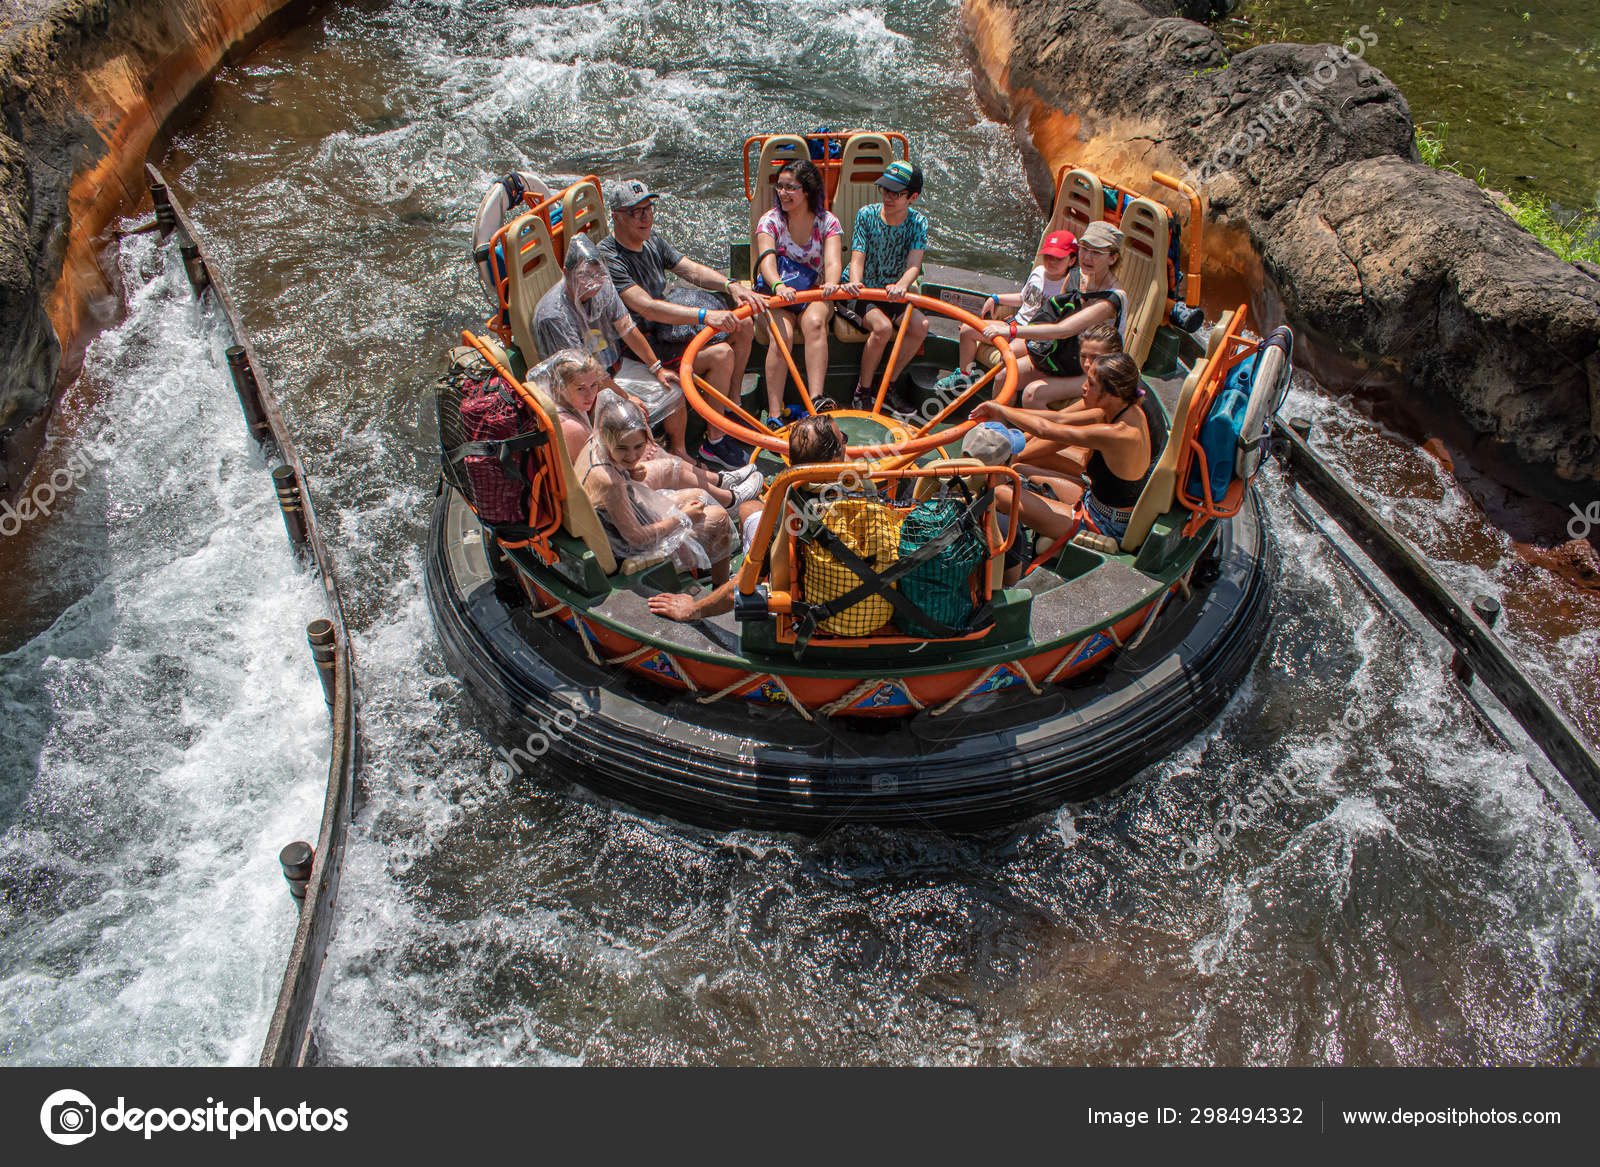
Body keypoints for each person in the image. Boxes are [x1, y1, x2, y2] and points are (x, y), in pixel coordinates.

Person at [598, 178, 763, 472]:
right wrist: (703, 315)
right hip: (643, 344)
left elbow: (689, 269)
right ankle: (714, 442)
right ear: (617, 217)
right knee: (722, 354)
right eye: (636, 212)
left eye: (649, 209)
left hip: (666, 330)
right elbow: (645, 305)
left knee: (744, 323)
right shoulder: (610, 257)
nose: (645, 217)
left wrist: (730, 285)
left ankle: (731, 406)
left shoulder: (651, 241)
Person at [971, 352, 1158, 582]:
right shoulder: (1123, 409)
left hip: (1105, 524)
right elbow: (1057, 419)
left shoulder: (1119, 434)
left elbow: (1048, 430)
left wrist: (1001, 410)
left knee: (998, 494)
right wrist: (1002, 410)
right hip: (1095, 501)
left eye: (1091, 384)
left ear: (1112, 393)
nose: (1084, 388)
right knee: (1018, 469)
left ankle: (1005, 575)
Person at [647, 413, 852, 622]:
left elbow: (748, 580)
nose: (845, 444)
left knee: (747, 508)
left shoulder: (790, 505)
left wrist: (694, 609)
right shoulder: (861, 486)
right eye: (843, 440)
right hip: (858, 599)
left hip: (800, 601)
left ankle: (725, 574)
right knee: (751, 508)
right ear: (836, 456)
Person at [534, 234, 690, 456]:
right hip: (583, 387)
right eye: (584, 277)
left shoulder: (603, 287)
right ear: (566, 273)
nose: (593, 284)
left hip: (613, 367)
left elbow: (627, 328)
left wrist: (657, 367)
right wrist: (625, 398)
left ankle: (680, 451)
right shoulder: (555, 316)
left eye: (597, 276)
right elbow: (583, 372)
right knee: (628, 418)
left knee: (673, 390)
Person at [540, 349, 761, 505]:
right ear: (561, 388)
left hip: (605, 480)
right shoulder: (573, 429)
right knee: (668, 466)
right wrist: (635, 461)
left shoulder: (570, 406)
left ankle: (719, 480)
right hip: (608, 497)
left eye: (593, 385)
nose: (590, 394)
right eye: (581, 389)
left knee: (657, 452)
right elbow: (597, 475)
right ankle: (730, 500)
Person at [576, 391, 734, 584]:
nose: (633, 456)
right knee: (719, 518)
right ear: (607, 436)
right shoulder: (610, 483)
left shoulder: (596, 441)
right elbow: (636, 538)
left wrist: (629, 471)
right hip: (626, 550)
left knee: (700, 495)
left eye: (638, 447)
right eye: (622, 449)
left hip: (619, 520)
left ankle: (703, 565)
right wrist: (682, 518)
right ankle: (722, 586)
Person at [979, 220, 1128, 406]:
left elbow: (1063, 330)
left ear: (1113, 258)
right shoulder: (1075, 276)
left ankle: (1041, 435)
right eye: (1084, 248)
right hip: (1063, 356)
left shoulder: (1111, 299)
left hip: (1092, 368)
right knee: (1004, 378)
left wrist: (1011, 331)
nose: (1087, 257)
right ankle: (998, 432)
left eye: (1096, 252)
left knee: (1032, 395)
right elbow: (1054, 312)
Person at [753, 159, 842, 424]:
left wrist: (832, 283)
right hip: (778, 293)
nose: (782, 193)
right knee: (783, 336)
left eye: (790, 188)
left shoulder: (827, 222)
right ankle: (775, 413)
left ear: (807, 191)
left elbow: (833, 262)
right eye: (779, 187)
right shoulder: (770, 221)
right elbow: (767, 259)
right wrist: (779, 285)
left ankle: (815, 400)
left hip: (811, 292)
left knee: (815, 323)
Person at [939, 229, 1077, 395]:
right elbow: (1023, 298)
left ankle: (997, 394)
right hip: (1013, 325)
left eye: (1058, 258)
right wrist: (996, 299)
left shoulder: (1068, 288)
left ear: (1071, 260)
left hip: (1033, 336)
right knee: (968, 330)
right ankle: (965, 376)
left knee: (1008, 354)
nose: (1051, 262)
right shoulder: (1039, 272)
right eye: (1048, 256)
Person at [839, 160, 927, 418]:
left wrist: (901, 286)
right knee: (883, 327)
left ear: (912, 197)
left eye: (895, 193)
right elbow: (858, 256)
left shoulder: (918, 223)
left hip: (892, 291)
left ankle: (887, 385)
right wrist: (856, 284)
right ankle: (862, 391)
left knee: (920, 326)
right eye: (885, 190)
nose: (887, 197)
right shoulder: (866, 215)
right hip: (863, 291)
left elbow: (914, 265)